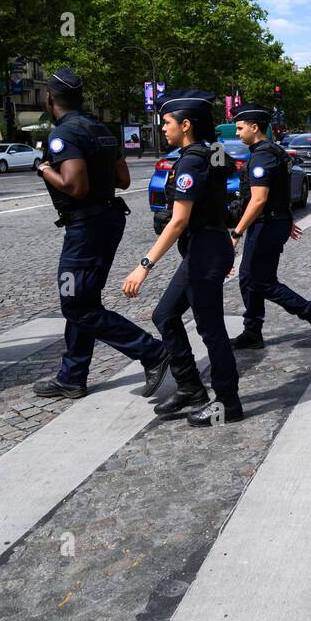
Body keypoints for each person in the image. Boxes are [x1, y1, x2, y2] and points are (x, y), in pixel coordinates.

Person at [30, 68, 169, 400]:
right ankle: (72, 376)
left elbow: (76, 186)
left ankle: (151, 351)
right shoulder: (101, 128)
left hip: (84, 228)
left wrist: (46, 168)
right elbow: (122, 179)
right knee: (84, 298)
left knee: (74, 303)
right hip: (108, 221)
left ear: (50, 99)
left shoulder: (63, 134)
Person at [123, 89, 242, 427]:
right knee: (165, 315)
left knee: (211, 329)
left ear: (185, 125)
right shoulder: (212, 151)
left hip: (204, 251)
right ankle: (190, 387)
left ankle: (229, 402)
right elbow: (226, 184)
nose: (163, 128)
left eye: (167, 122)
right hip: (208, 246)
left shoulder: (191, 160)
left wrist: (143, 266)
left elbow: (178, 221)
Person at [227, 102, 311, 351]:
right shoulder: (274, 151)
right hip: (273, 221)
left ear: (255, 127)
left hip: (266, 224)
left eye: (240, 128)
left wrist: (236, 232)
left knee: (261, 282)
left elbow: (260, 199)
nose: (237, 133)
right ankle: (252, 330)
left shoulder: (263, 155)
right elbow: (282, 191)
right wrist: (286, 218)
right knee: (247, 277)